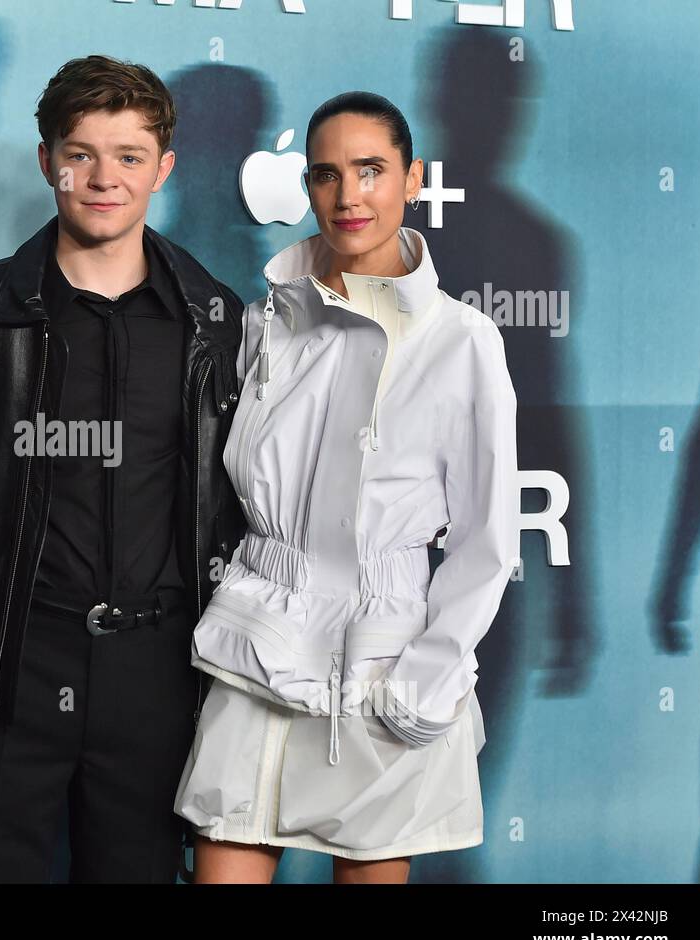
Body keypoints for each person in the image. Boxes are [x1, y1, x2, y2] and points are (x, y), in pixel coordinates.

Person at [174, 91, 520, 884]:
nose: (348, 195)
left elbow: (486, 539)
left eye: (370, 170)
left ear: (412, 178)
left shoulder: (462, 342)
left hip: (384, 653)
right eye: (326, 174)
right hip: (260, 636)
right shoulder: (267, 320)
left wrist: (429, 674)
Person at [0, 55, 245, 883]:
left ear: (164, 169)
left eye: (130, 157)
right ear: (47, 162)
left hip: (158, 672)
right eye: (80, 154)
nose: (103, 178)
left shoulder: (218, 323)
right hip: (8, 666)